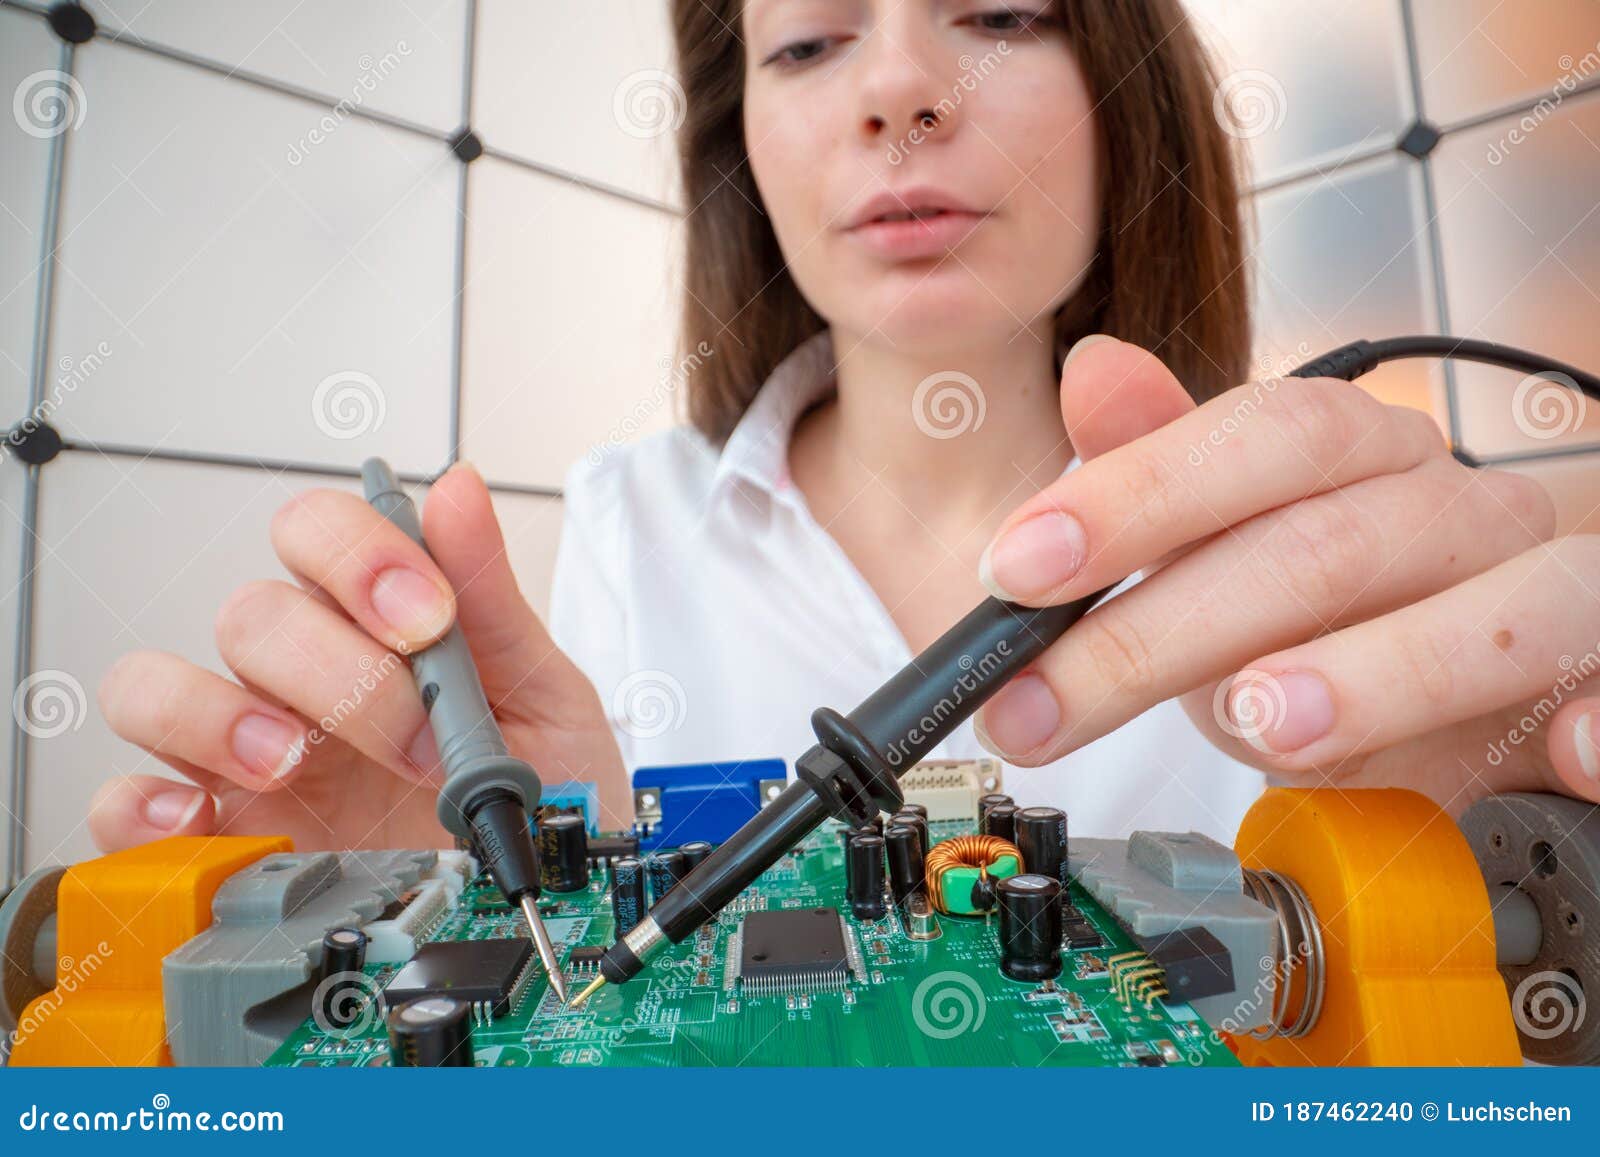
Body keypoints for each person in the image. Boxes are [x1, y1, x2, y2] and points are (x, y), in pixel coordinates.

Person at [89, 0, 1597, 858]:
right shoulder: (628, 514)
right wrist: (495, 900)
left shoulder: (1370, 555)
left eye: (1000, 13)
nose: (898, 94)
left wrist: (1513, 863)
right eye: (806, 41)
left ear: (1131, 97)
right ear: (735, 138)